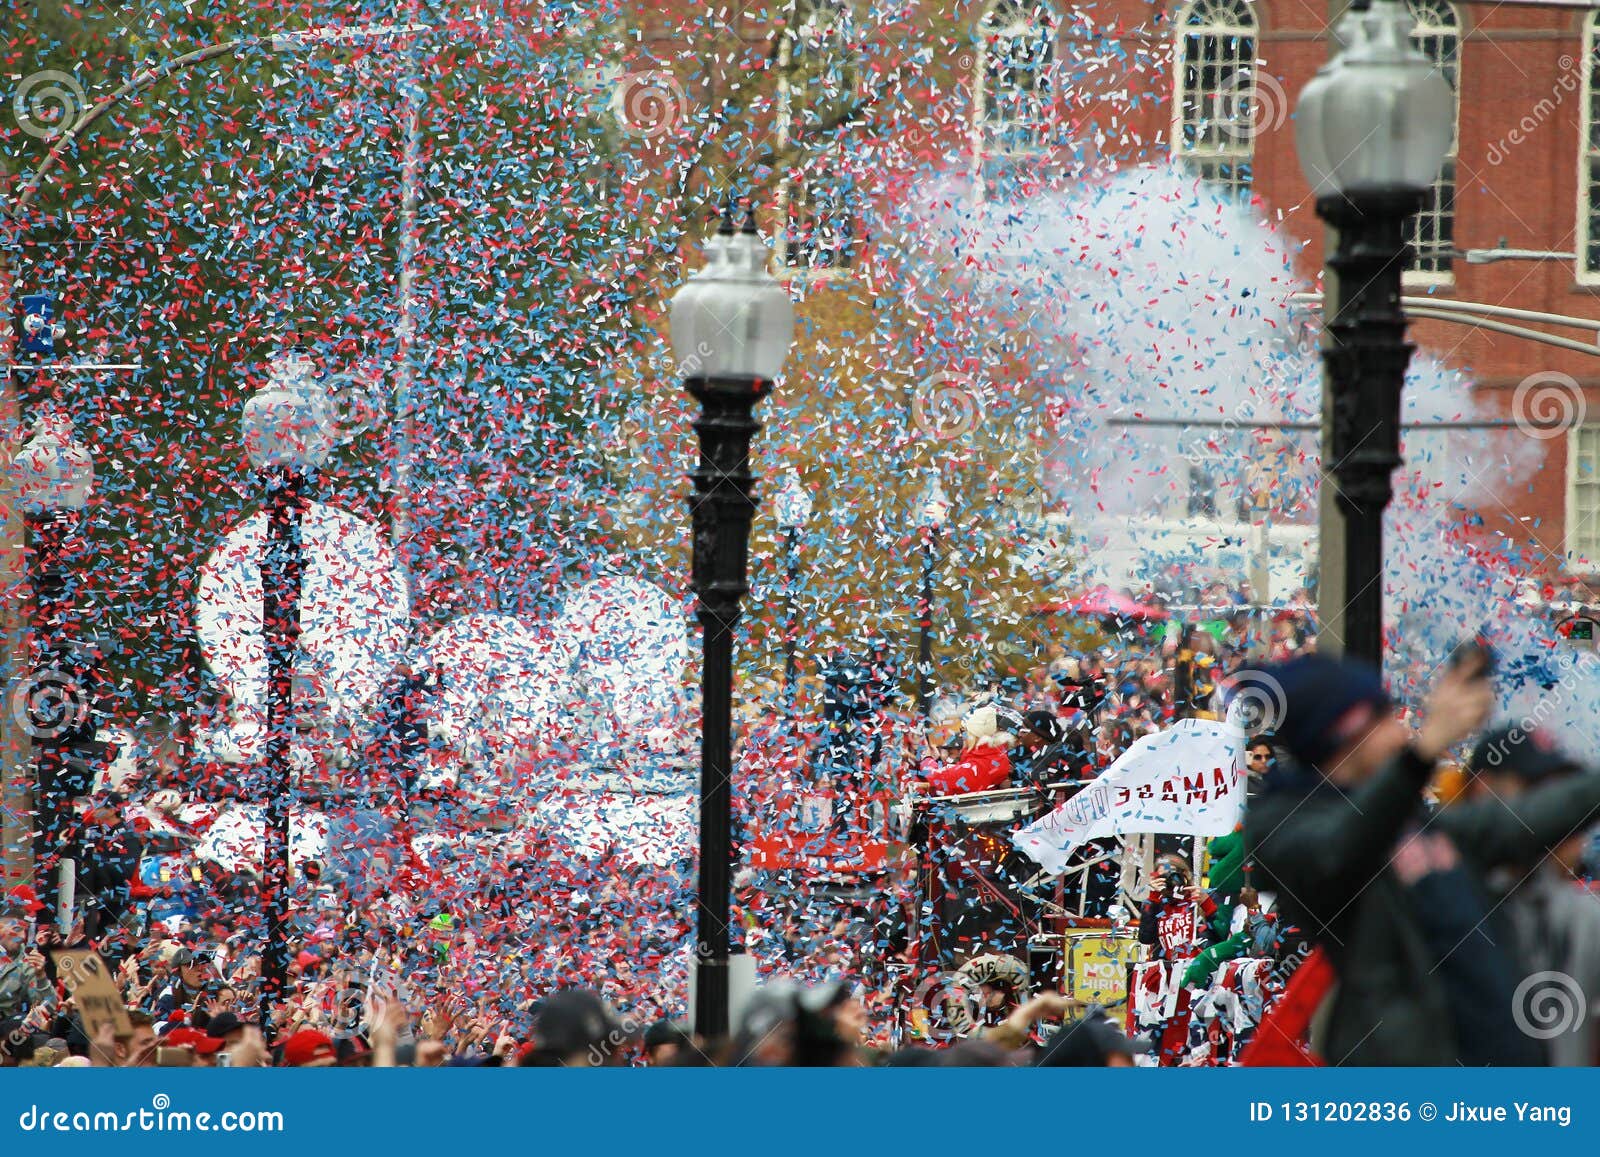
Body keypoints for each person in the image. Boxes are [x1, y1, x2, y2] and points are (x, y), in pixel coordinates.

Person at [1246, 651, 1600, 1065]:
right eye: (1382, 720)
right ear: (1345, 732)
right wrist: (1424, 750)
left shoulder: (1409, 820)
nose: (1399, 735)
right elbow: (1338, 850)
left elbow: (1520, 822)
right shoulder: (1289, 827)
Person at [1460, 726, 1600, 1066]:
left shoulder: (1582, 917)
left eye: (1565, 793)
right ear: (1482, 791)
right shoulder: (1433, 904)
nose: (1559, 812)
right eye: (1538, 790)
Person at [0, 919, 53, 1022]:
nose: (23, 936)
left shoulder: (27, 964)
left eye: (25, 931)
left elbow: (48, 1007)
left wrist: (41, 976)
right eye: (17, 929)